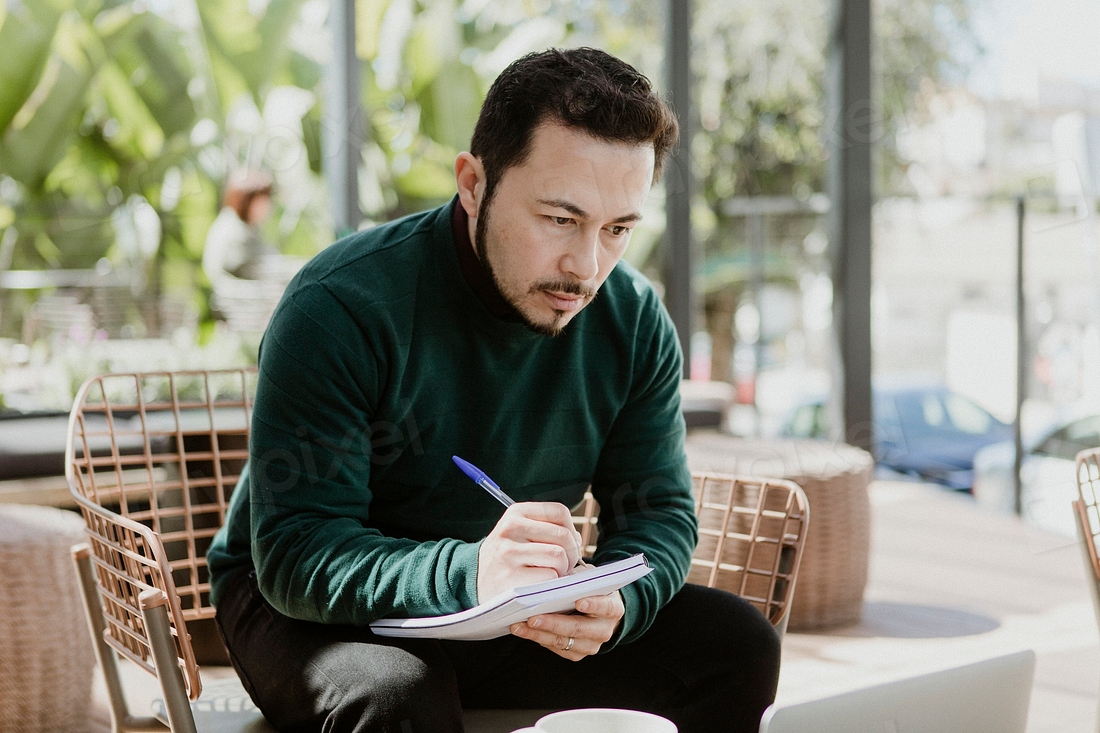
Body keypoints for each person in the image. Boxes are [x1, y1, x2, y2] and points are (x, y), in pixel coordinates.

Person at [207, 47, 780, 733]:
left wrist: (621, 601)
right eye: (561, 219)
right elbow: (299, 550)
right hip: (305, 604)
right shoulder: (339, 306)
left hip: (511, 603)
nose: (586, 266)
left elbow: (656, 512)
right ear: (473, 184)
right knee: (398, 695)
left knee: (736, 645)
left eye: (618, 229)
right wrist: (473, 570)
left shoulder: (632, 321)